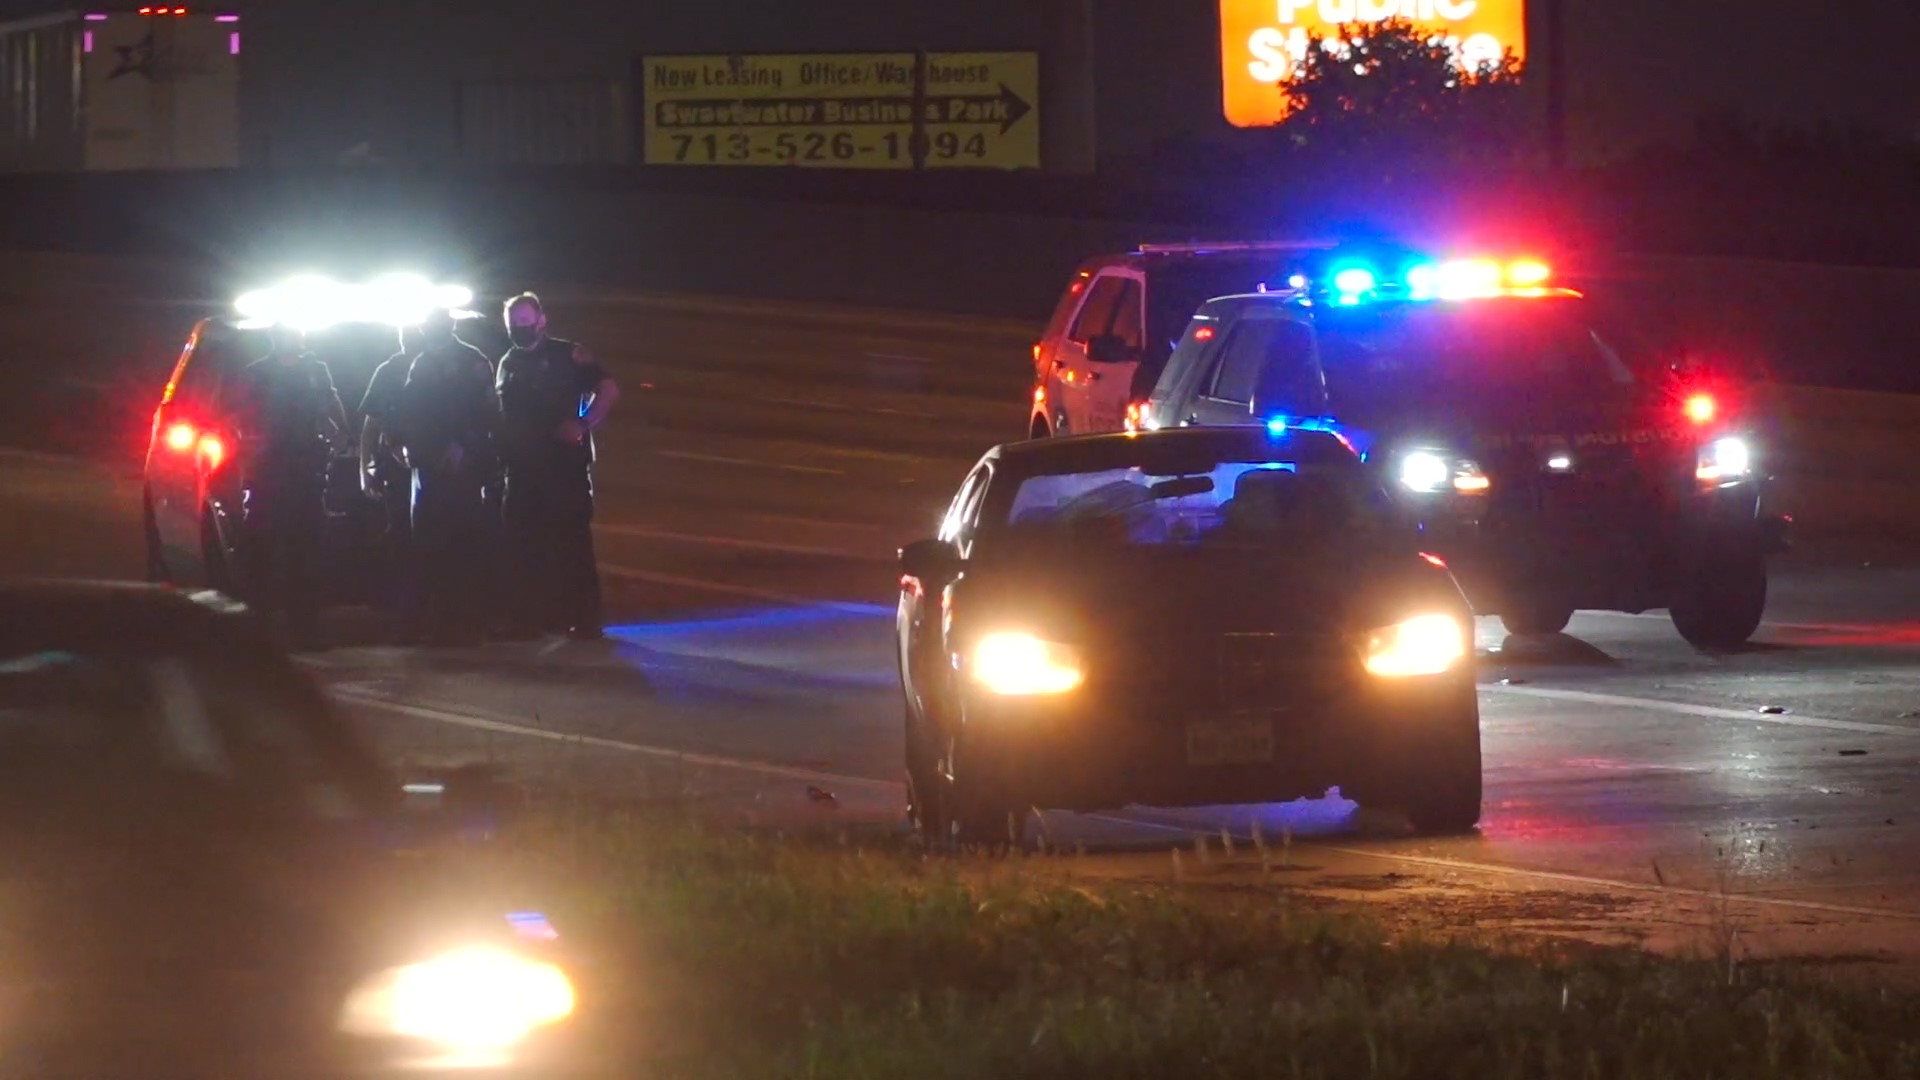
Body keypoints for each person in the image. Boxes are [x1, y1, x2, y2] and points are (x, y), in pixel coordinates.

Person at [495, 292, 619, 639]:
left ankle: (583, 618)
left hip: (564, 469)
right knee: (524, 546)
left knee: (572, 545)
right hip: (521, 471)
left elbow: (604, 389)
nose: (520, 328)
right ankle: (530, 619)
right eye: (513, 323)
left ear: (541, 320)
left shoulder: (568, 354)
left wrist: (583, 422)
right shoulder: (508, 362)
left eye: (525, 320)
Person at [232, 323, 347, 646]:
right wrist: (250, 447)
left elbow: (330, 407)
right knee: (260, 549)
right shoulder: (256, 373)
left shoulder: (316, 371)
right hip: (268, 472)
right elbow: (240, 416)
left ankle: (305, 626)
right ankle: (256, 624)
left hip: (306, 472)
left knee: (306, 551)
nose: (292, 340)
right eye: (285, 334)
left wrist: (340, 434)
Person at [396, 309, 499, 644]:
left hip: (463, 468)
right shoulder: (421, 363)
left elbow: (486, 413)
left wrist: (462, 446)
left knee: (464, 547)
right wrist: (406, 445)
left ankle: (466, 622)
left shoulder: (473, 361)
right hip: (428, 468)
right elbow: (411, 410)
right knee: (428, 546)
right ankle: (434, 622)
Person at [358, 324, 424, 631]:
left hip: (435, 469)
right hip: (397, 473)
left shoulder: (439, 366)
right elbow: (371, 424)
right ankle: (405, 614)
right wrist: (365, 469)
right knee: (401, 538)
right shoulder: (389, 371)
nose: (409, 339)